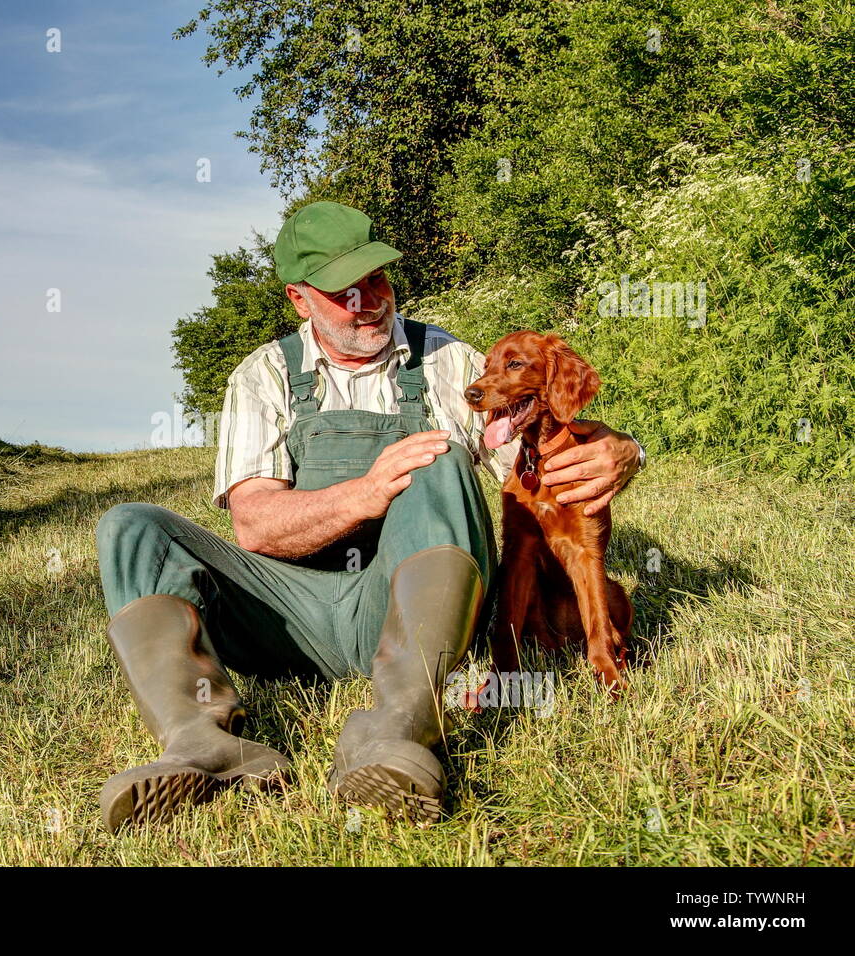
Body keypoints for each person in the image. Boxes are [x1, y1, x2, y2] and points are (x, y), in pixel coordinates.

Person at [95, 201, 644, 831]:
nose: (368, 301)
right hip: (288, 612)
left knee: (438, 460)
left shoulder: (450, 362)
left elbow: (530, 473)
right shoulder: (263, 376)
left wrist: (626, 449)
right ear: (300, 300)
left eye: (376, 279)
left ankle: (395, 730)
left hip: (408, 607)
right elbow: (256, 525)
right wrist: (367, 491)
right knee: (131, 527)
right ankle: (202, 745)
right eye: (342, 291)